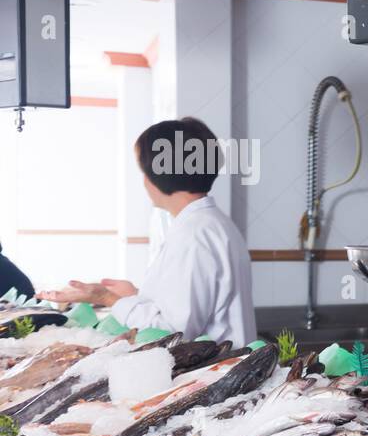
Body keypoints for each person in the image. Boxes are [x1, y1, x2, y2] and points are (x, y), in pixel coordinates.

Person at [39, 117, 256, 345]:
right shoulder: (208, 222)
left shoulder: (194, 233)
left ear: (160, 174)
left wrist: (107, 298)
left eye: (143, 170)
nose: (143, 181)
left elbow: (174, 331)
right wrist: (134, 296)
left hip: (210, 368)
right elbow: (185, 305)